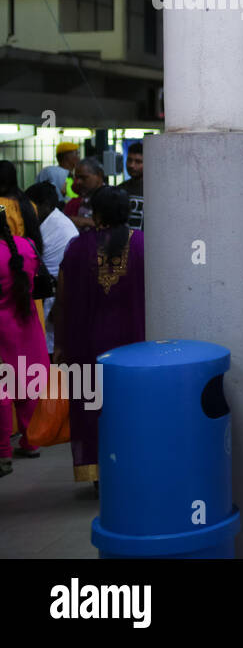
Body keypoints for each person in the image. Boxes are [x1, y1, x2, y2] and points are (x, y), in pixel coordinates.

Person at [53, 186, 145, 488]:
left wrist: (62, 345)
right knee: (131, 404)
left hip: (87, 340)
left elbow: (63, 299)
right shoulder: (144, 244)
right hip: (134, 340)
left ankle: (98, 474)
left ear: (96, 213)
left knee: (92, 406)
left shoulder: (78, 248)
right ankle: (133, 466)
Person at [0, 212, 49, 477]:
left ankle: (3, 453)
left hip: (2, 327)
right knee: (28, 384)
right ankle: (31, 442)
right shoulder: (27, 245)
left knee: (2, 393)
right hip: (27, 321)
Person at [25, 182, 78, 351]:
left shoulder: (57, 226)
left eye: (31, 206)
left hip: (56, 299)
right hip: (52, 296)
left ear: (45, 206)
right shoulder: (53, 221)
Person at [65, 158, 106, 232]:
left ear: (99, 176)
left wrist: (87, 222)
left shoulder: (113, 200)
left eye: (83, 177)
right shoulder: (73, 204)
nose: (78, 182)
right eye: (76, 178)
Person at [120, 141, 145, 230]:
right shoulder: (120, 189)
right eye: (129, 160)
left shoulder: (155, 190)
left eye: (138, 162)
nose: (131, 165)